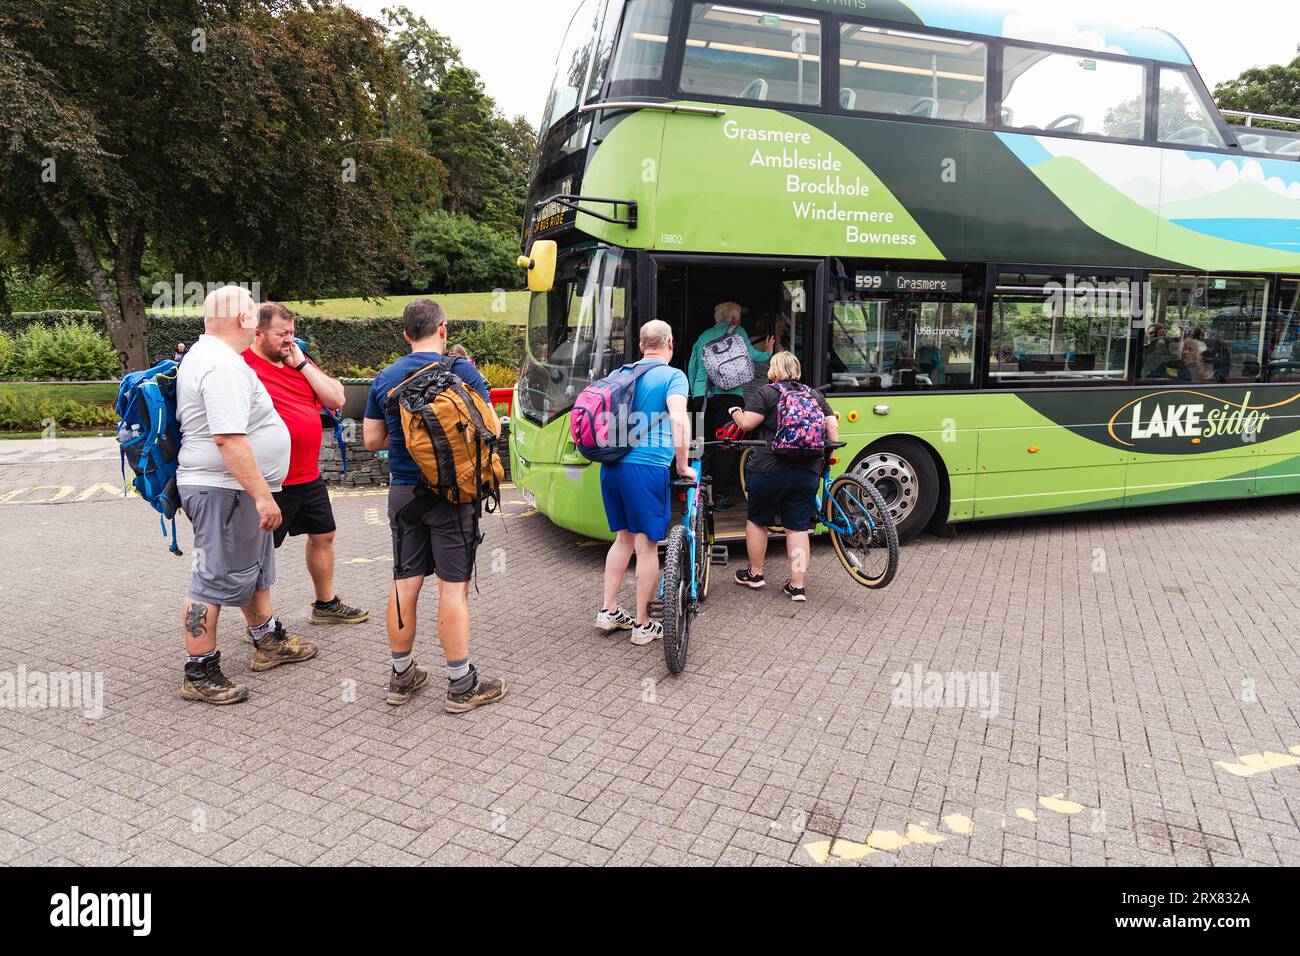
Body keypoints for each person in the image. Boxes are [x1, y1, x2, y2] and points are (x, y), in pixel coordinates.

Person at [176, 286, 317, 705]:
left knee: (251, 569)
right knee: (213, 576)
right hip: (226, 489)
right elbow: (228, 438)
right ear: (242, 320)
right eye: (254, 315)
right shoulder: (221, 366)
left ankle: (266, 639)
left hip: (232, 488)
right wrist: (262, 495)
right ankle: (199, 670)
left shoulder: (214, 357)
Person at [363, 299, 506, 711]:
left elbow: (372, 441)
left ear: (406, 334)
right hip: (452, 495)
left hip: (404, 492)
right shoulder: (462, 371)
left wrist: (413, 440)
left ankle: (401, 677)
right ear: (442, 330)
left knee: (404, 582)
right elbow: (492, 428)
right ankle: (462, 685)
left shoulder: (384, 379)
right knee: (453, 587)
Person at [243, 302, 368, 625]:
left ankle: (325, 605)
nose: (289, 340)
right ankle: (260, 627)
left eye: (293, 333)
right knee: (257, 553)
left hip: (307, 475)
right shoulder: (243, 366)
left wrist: (301, 364)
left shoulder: (298, 360)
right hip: (271, 481)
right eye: (282, 334)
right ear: (258, 333)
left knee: (324, 534)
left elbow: (336, 398)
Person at [596, 320, 693, 644]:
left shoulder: (621, 373)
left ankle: (608, 611)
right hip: (647, 469)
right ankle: (641, 624)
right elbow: (679, 419)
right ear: (669, 344)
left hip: (611, 468)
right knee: (648, 546)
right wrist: (683, 465)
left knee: (623, 538)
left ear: (640, 346)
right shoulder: (673, 376)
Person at [727, 352, 838, 602]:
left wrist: (735, 410)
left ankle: (755, 574)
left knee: (757, 521)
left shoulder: (766, 393)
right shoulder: (815, 395)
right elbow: (832, 428)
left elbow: (746, 423)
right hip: (807, 471)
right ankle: (797, 586)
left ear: (773, 370)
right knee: (797, 528)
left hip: (768, 468)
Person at [687, 302, 773, 510]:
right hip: (730, 397)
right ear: (734, 319)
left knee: (698, 444)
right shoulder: (738, 331)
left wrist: (695, 392)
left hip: (701, 396)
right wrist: (768, 353)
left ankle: (695, 495)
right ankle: (722, 497)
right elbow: (752, 357)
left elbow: (692, 366)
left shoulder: (703, 336)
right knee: (725, 446)